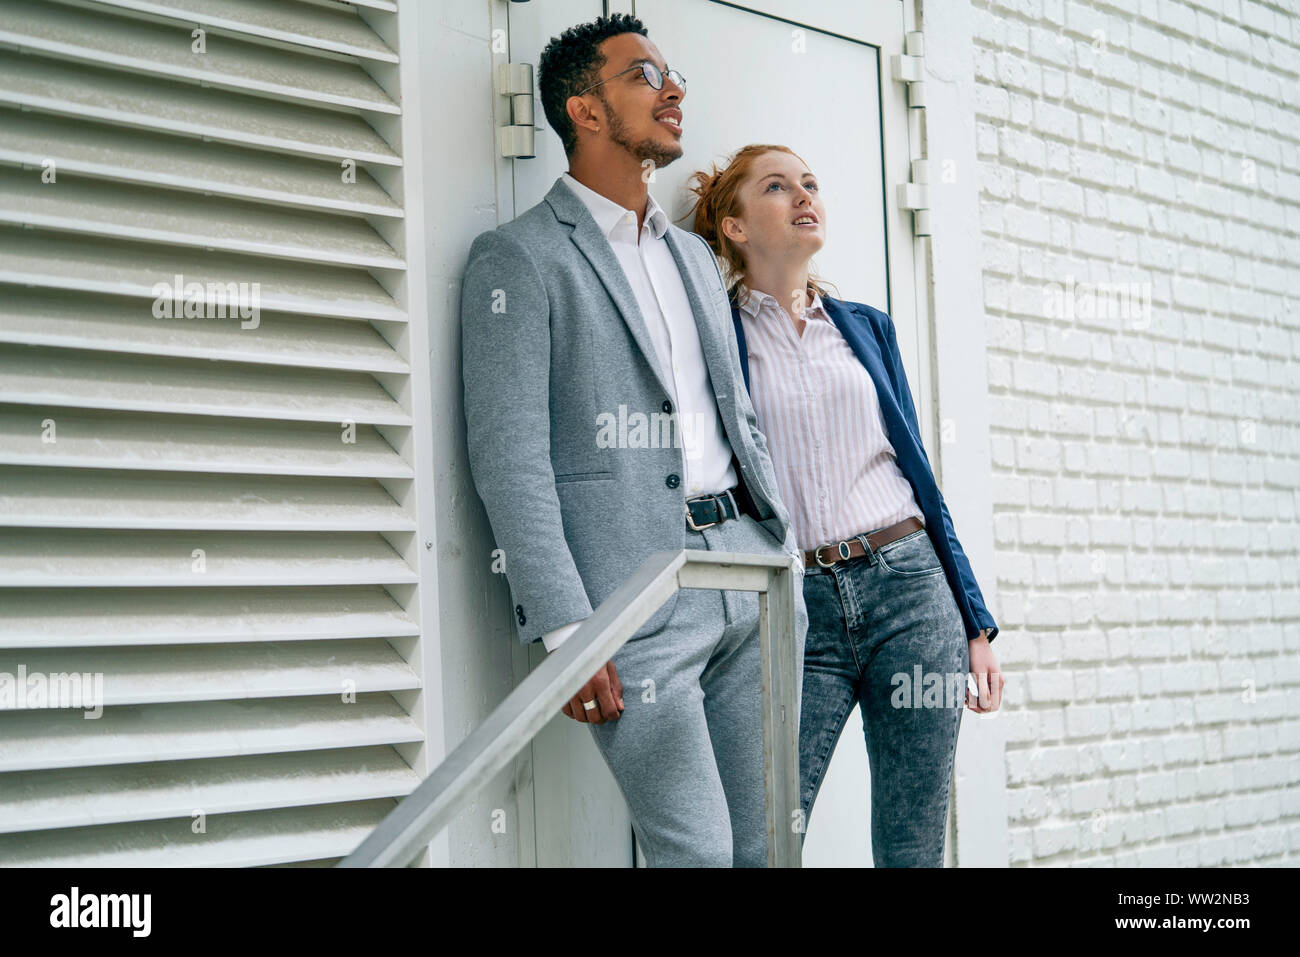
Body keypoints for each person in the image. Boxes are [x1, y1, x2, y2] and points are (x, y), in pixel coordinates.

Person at [459, 16, 807, 867]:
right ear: (584, 108)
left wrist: (781, 545)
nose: (674, 90)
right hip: (636, 598)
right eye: (646, 76)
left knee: (768, 849)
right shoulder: (519, 259)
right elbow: (510, 455)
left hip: (751, 576)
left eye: (672, 73)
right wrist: (569, 632)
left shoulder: (692, 258)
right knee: (696, 853)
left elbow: (737, 413)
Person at [687, 144, 1005, 866]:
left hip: (912, 590)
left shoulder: (866, 326)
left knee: (911, 847)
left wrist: (975, 623)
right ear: (734, 227)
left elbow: (920, 475)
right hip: (800, 610)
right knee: (765, 839)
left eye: (810, 183)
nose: (804, 195)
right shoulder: (720, 336)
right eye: (776, 186)